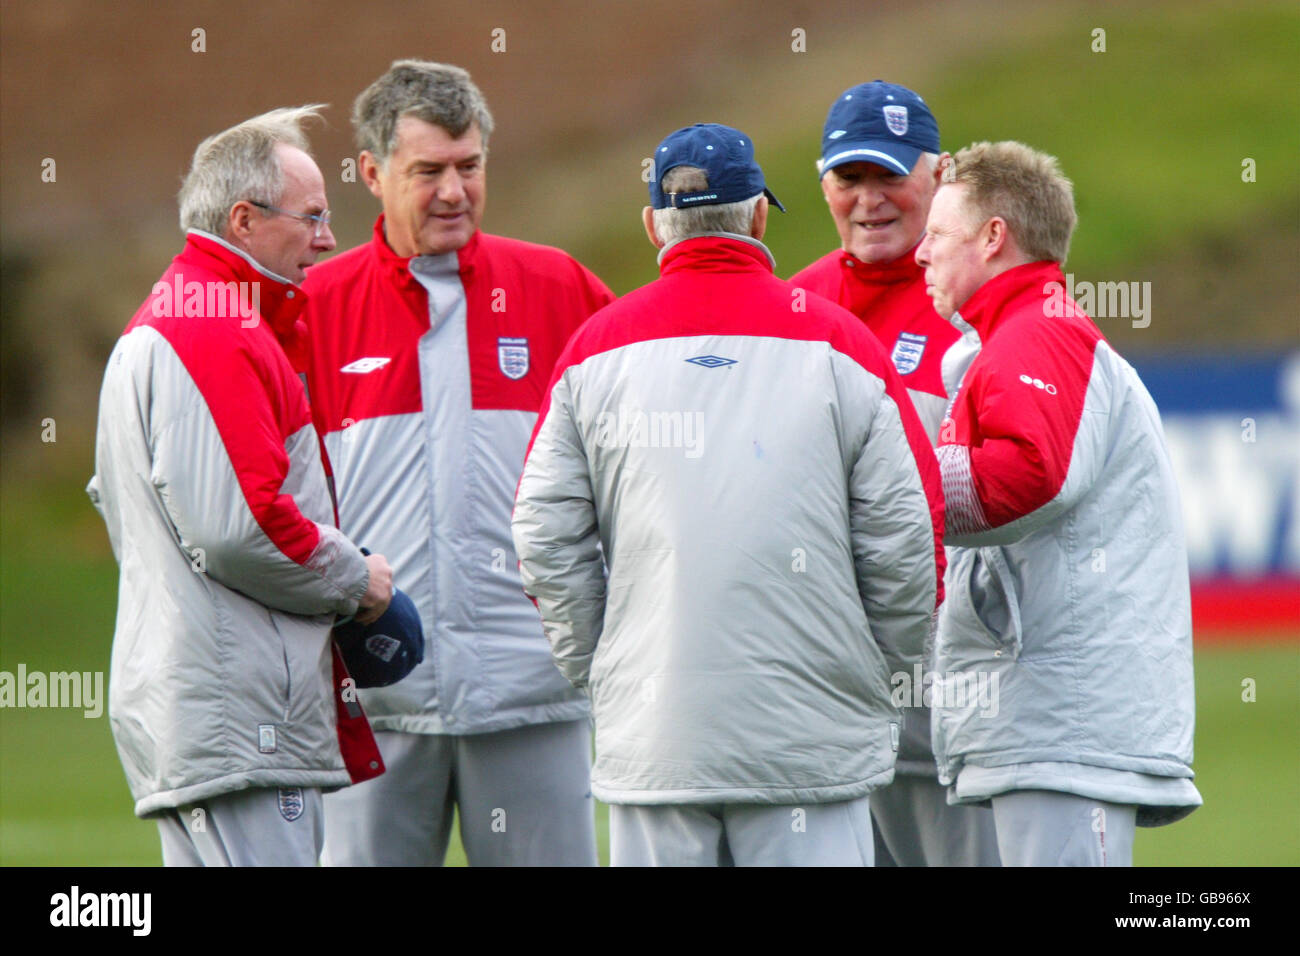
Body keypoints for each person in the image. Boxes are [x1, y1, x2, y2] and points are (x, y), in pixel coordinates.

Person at [512, 123, 946, 867]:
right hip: (811, 744)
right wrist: (882, 667)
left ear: (653, 225)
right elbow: (907, 537)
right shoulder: (843, 344)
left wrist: (606, 666)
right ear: (758, 216)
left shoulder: (594, 348)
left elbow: (543, 537)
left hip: (657, 737)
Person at [301, 60, 614, 867]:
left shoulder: (559, 288)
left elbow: (632, 471)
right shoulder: (312, 310)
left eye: (468, 167)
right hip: (373, 697)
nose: (453, 192)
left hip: (531, 695)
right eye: (427, 171)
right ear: (371, 173)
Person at [87, 106, 395, 867]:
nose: (328, 239)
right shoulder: (217, 327)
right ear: (245, 220)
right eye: (314, 217)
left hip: (211, 708)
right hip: (238, 716)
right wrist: (358, 580)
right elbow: (240, 527)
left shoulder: (180, 316)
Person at [915, 140, 1202, 866]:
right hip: (1057, 717)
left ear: (992, 238)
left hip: (1063, 722)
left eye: (937, 236)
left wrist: (893, 492)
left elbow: (1028, 474)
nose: (920, 254)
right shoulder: (1025, 332)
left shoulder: (1036, 332)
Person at [790, 81, 998, 867]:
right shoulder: (791, 307)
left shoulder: (979, 300)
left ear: (939, 178)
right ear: (824, 186)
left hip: (951, 702)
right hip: (824, 704)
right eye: (851, 179)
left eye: (890, 177)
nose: (870, 200)